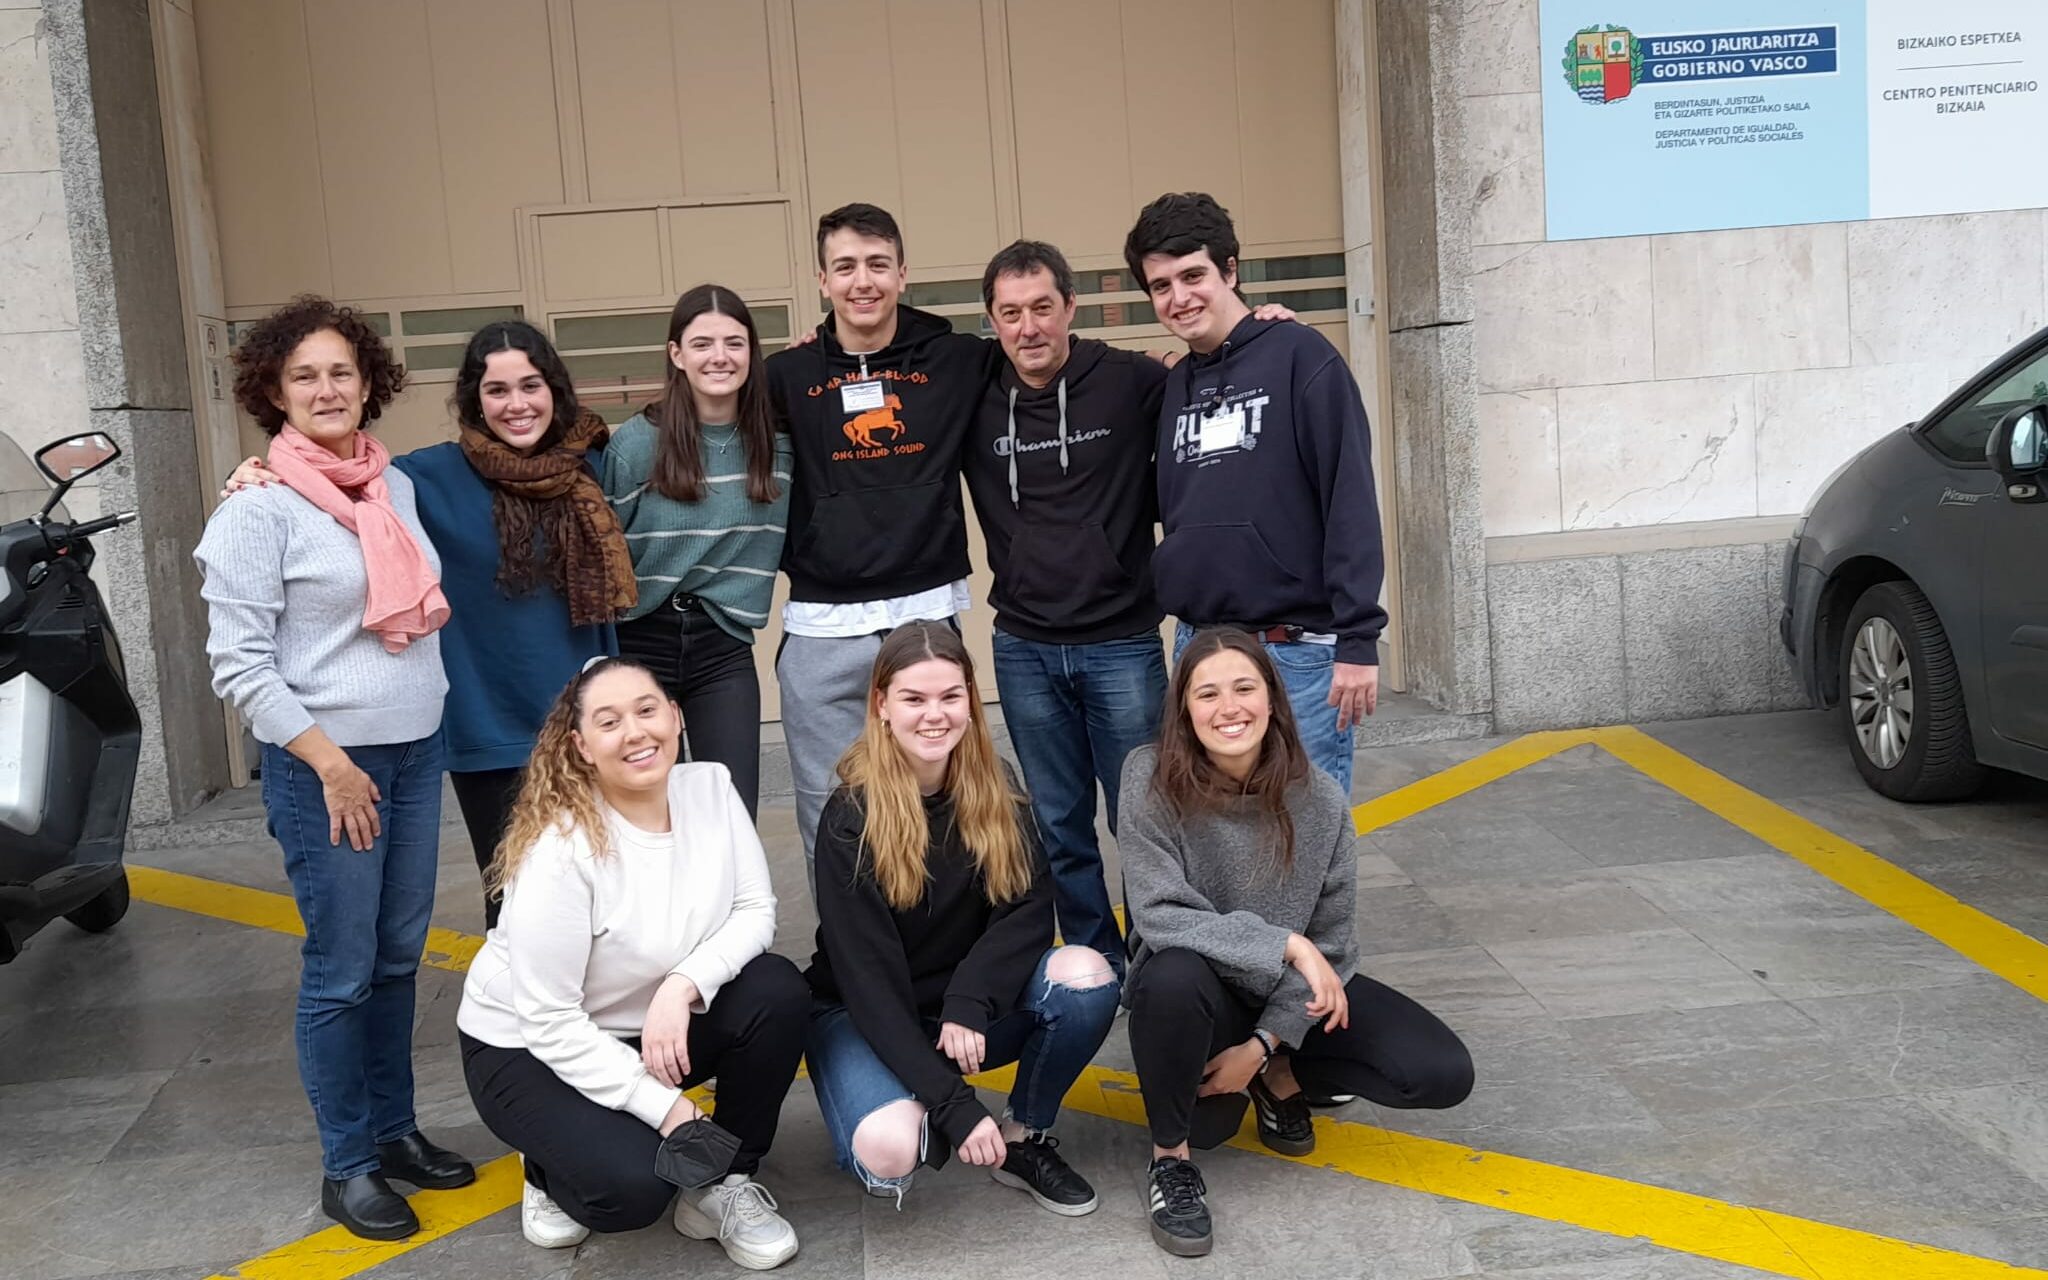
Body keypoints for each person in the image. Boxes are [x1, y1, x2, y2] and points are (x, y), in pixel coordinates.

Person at [194, 296, 475, 1240]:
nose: (325, 389)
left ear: (370, 384)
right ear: (272, 390)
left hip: (413, 748)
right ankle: (347, 1164)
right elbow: (238, 663)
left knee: (399, 960)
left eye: (341, 372)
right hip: (328, 767)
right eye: (304, 375)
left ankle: (395, 1134)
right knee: (342, 969)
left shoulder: (386, 486)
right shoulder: (257, 508)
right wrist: (329, 764)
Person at [222, 319, 631, 929]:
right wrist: (255, 475)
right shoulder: (422, 479)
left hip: (587, 718)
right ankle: (508, 1027)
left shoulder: (592, 465)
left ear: (556, 391)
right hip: (488, 727)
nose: (516, 404)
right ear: (473, 400)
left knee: (608, 892)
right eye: (496, 390)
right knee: (518, 907)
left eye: (531, 385)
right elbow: (337, 479)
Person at [1119, 628, 1473, 1257]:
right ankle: (1169, 1162)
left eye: (1244, 688)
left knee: (1439, 1073)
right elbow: (1159, 913)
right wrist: (1288, 944)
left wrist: (1263, 1043)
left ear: (1274, 699)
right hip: (1197, 988)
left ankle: (1277, 1069)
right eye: (1207, 694)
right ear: (1184, 711)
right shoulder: (1148, 777)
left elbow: (1332, 944)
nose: (1229, 708)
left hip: (1282, 999)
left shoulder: (1320, 799)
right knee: (1196, 1080)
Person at [456, 657, 809, 1267]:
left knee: (776, 991)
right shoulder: (561, 849)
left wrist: (682, 986)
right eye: (609, 721)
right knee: (631, 1192)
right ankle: (544, 1165)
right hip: (527, 1046)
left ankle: (721, 1185)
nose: (636, 732)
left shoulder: (710, 789)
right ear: (582, 746)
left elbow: (756, 909)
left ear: (675, 716)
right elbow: (550, 1021)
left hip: (649, 1021)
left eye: (647, 710)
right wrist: (671, 1112)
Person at [803, 621, 1118, 1214]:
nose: (934, 715)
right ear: (881, 705)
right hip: (865, 1013)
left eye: (950, 696)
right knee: (890, 1152)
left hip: (960, 1017)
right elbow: (868, 982)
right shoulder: (850, 816)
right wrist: (953, 1104)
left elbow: (1029, 909)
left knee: (1087, 975)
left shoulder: (994, 782)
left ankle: (1023, 1137)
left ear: (970, 702)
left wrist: (971, 999)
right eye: (914, 699)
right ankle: (900, 1096)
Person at [1125, 192, 1387, 795]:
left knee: (1308, 835)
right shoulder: (1175, 386)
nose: (1179, 297)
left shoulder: (1302, 356)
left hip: (1295, 654)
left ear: (1231, 270)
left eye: (1193, 275)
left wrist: (1358, 640)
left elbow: (1348, 499)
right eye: (1160, 286)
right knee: (1219, 834)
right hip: (1201, 651)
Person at [766, 203, 998, 872]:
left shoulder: (956, 361)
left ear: (902, 273)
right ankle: (844, 961)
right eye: (844, 267)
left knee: (944, 797)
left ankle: (939, 955)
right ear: (821, 280)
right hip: (821, 622)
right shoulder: (787, 376)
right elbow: (710, 415)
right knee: (830, 803)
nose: (860, 281)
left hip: (922, 614)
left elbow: (1050, 361)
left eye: (875, 265)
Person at [961, 239, 1170, 972]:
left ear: (1071, 308)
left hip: (1123, 643)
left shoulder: (1130, 381)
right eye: (1010, 313)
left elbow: (1212, 365)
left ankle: (1157, 958)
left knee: (1145, 817)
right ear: (992, 320)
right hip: (1023, 645)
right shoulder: (975, 387)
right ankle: (1092, 957)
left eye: (1043, 308)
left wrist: (1264, 323)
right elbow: (899, 346)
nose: (1029, 328)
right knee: (1058, 822)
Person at [604, 284, 791, 820]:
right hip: (639, 639)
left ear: (752, 353)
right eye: (702, 343)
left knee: (730, 812)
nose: (719, 357)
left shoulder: (777, 443)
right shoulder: (639, 443)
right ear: (676, 354)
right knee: (644, 813)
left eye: (735, 343)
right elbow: (605, 549)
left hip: (722, 640)